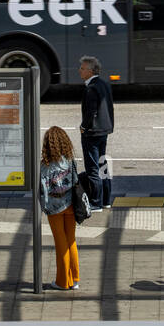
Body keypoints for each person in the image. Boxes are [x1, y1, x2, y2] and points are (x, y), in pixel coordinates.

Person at [38, 126, 80, 291]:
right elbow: (76, 180)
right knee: (71, 240)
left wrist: (45, 207)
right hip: (70, 204)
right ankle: (74, 279)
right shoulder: (69, 161)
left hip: (55, 209)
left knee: (60, 243)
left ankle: (63, 281)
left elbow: (44, 190)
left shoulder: (45, 166)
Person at [79, 55, 114, 212]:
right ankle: (106, 200)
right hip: (104, 131)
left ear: (90, 70)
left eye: (82, 68)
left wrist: (84, 127)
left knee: (93, 168)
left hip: (92, 133)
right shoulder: (105, 84)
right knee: (102, 165)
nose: (79, 71)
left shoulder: (91, 88)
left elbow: (91, 112)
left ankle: (96, 202)